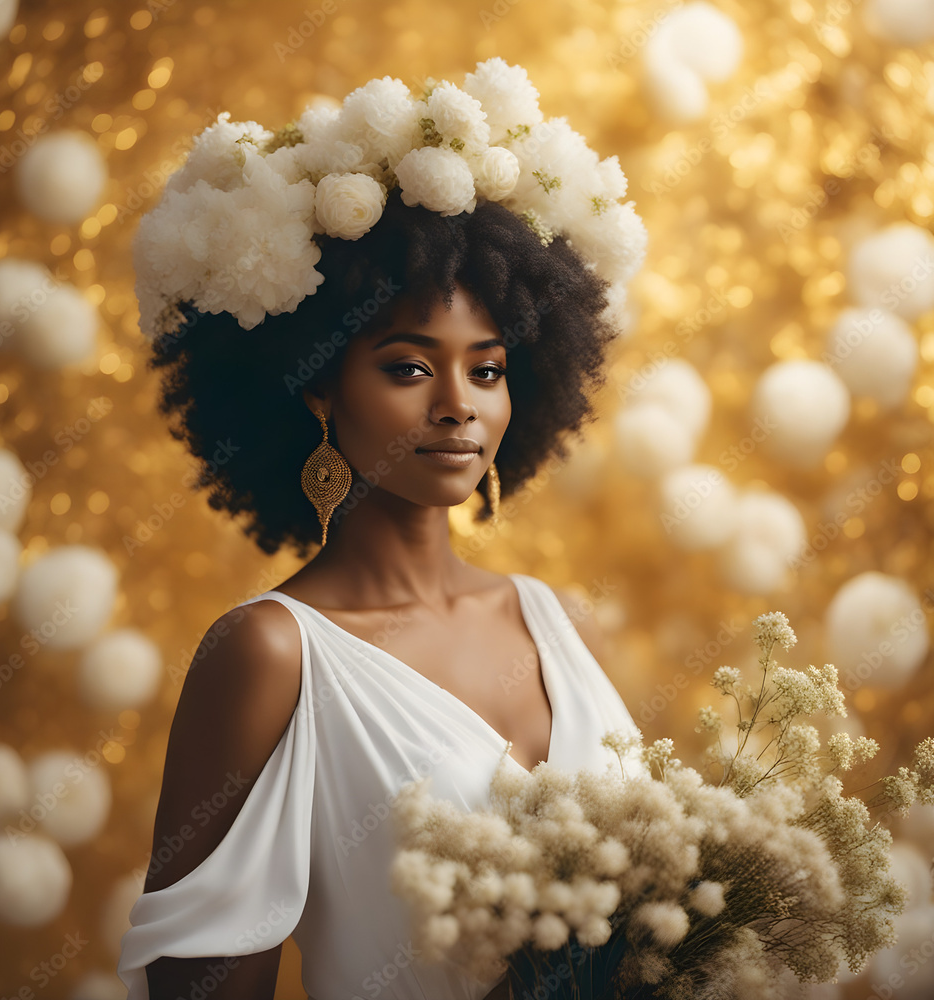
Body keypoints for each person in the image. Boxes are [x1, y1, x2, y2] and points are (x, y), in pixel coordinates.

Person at [117, 59, 647, 1000]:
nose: (459, 408)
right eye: (408, 368)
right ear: (315, 381)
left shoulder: (560, 622)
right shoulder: (272, 656)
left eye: (487, 371)